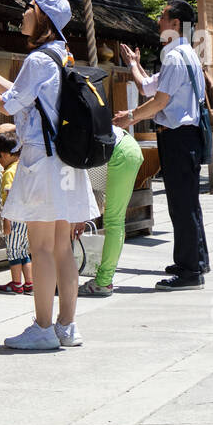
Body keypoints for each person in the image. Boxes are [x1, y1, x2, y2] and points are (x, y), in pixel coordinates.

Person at [0, 0, 97, 351]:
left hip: (42, 160)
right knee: (62, 248)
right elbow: (26, 96)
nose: (24, 13)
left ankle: (41, 327)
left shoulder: (39, 59)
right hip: (66, 160)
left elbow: (10, 105)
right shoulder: (61, 53)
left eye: (30, 8)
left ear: (44, 18)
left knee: (39, 248)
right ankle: (66, 326)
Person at [115, 0, 209, 289]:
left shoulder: (175, 56)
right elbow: (148, 87)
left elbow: (159, 101)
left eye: (163, 16)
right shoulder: (185, 54)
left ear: (175, 23)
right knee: (188, 202)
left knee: (182, 204)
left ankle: (188, 271)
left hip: (179, 137)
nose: (158, 20)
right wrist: (134, 65)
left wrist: (130, 117)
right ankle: (197, 260)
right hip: (186, 136)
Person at [77, 116, 143, 297]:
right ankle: (103, 281)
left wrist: (80, 217)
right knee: (116, 221)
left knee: (114, 221)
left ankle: (104, 282)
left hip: (119, 153)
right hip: (126, 146)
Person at [0, 130, 33, 295]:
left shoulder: (9, 173)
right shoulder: (23, 167)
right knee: (24, 252)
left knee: (13, 251)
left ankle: (16, 283)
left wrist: (6, 221)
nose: (0, 162)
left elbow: (10, 198)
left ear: (4, 155)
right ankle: (29, 283)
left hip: (14, 217)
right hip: (26, 218)